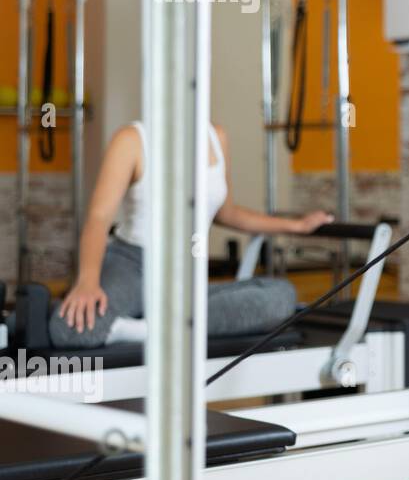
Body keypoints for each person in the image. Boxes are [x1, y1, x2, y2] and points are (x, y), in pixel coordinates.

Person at [49, 120, 333, 348]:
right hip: (133, 265)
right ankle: (167, 327)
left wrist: (297, 226)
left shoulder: (216, 137)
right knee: (70, 330)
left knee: (280, 297)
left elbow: (226, 212)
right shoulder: (133, 139)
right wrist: (87, 281)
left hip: (187, 276)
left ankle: (146, 328)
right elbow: (98, 218)